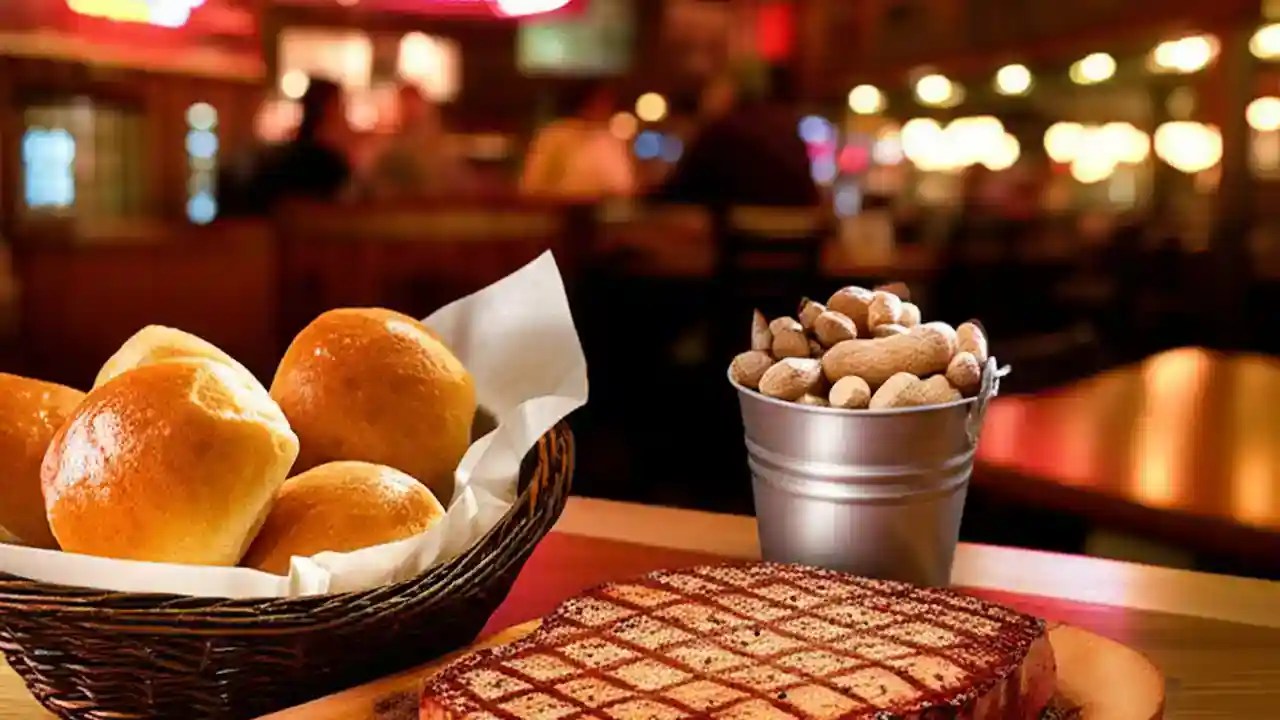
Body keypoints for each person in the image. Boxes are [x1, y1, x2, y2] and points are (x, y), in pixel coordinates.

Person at [656, 67, 818, 210]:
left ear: (730, 91)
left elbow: (676, 195)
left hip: (740, 239)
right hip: (800, 239)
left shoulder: (721, 133)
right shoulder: (788, 130)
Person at [519, 80, 635, 201]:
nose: (607, 109)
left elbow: (624, 184)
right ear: (585, 104)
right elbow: (533, 183)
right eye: (601, 102)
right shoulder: (555, 136)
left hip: (606, 212)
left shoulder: (608, 139)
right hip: (562, 211)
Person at [253, 78, 353, 209]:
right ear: (328, 111)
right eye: (341, 107)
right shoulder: (329, 165)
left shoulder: (283, 158)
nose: (345, 117)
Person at [364, 82, 472, 198]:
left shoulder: (443, 152)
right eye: (406, 105)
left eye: (415, 105)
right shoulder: (386, 153)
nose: (412, 111)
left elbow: (463, 186)